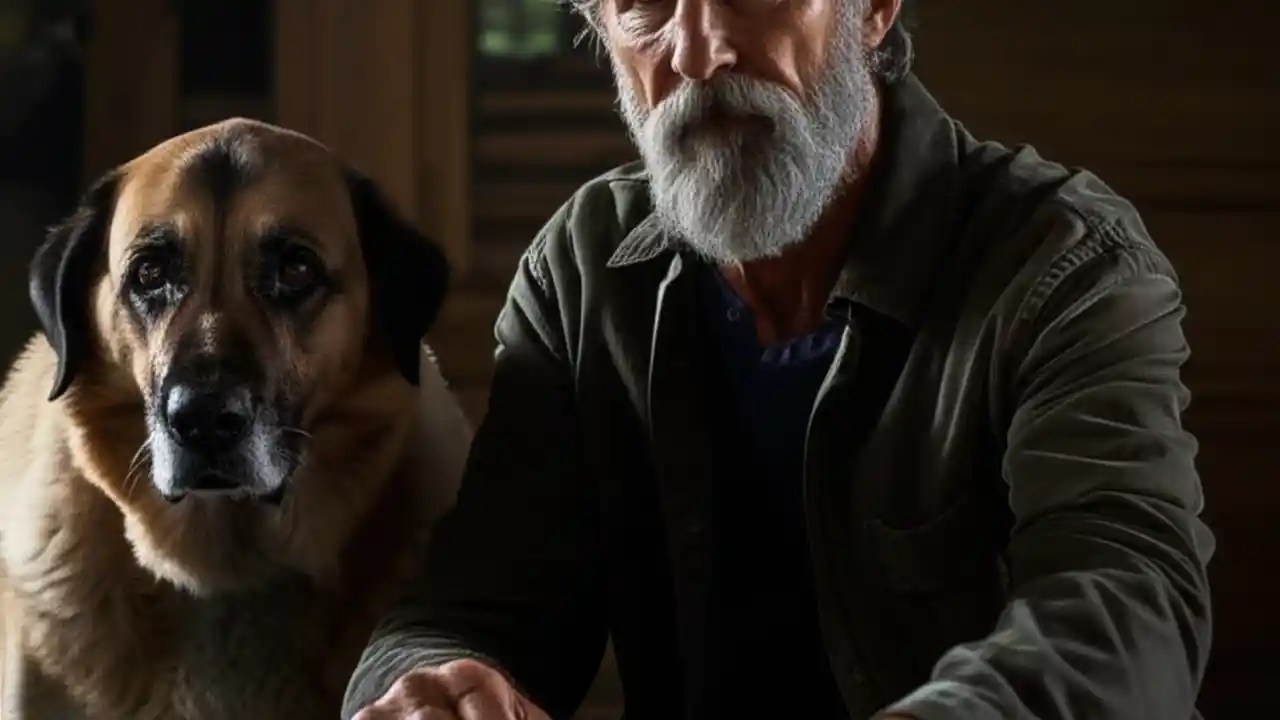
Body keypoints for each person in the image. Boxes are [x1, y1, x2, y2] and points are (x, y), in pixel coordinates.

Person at [344, 0, 1215, 717]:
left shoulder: (1064, 264)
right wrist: (433, 689)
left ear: (872, 11)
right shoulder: (581, 274)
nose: (699, 50)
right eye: (643, 6)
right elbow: (476, 603)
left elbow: (1126, 612)